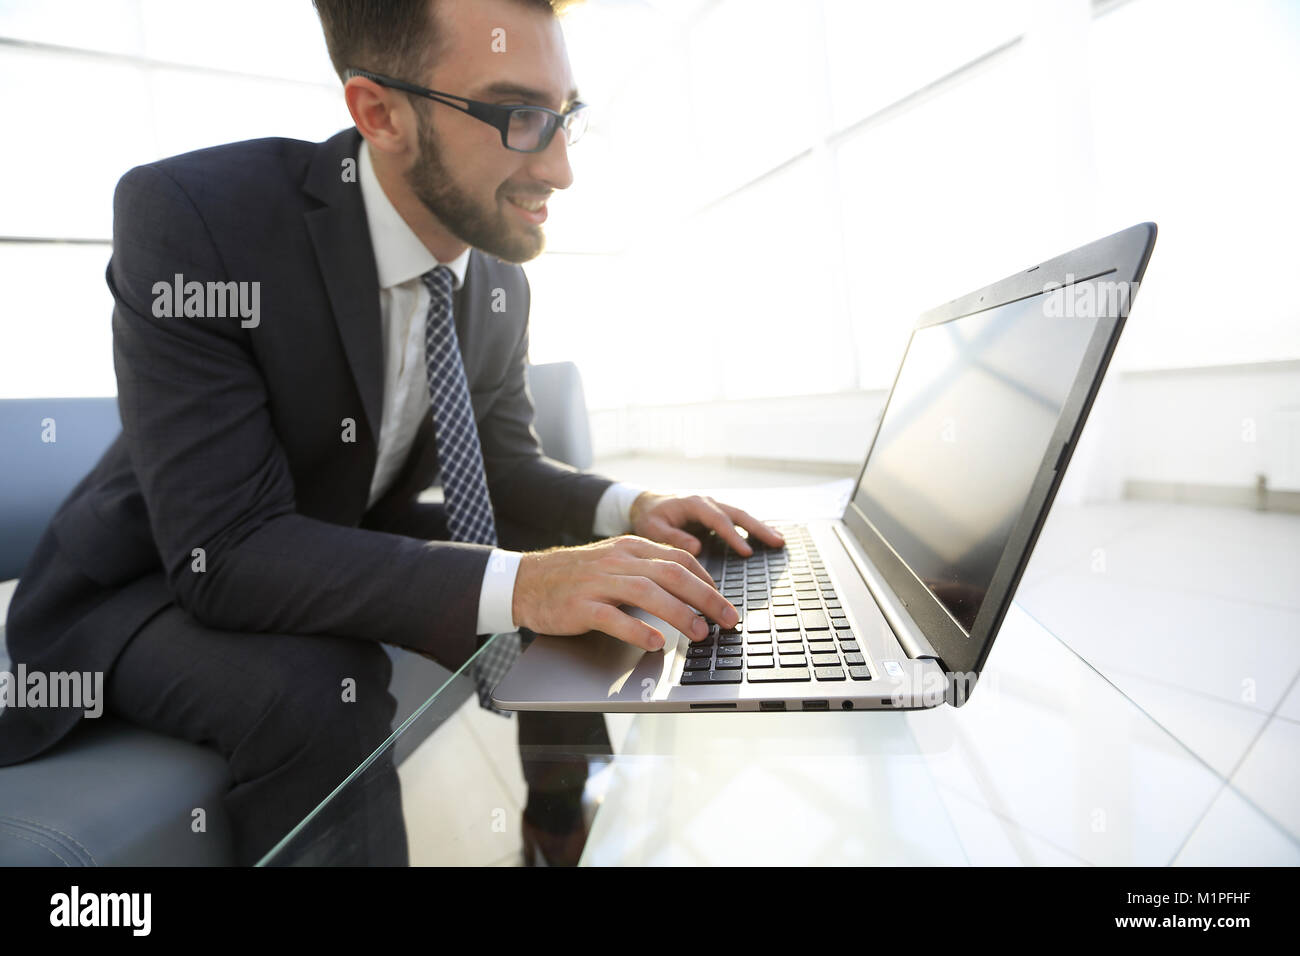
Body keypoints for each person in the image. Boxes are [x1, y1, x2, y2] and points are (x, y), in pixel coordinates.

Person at [0, 0, 783, 866]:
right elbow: (225, 549)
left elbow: (504, 464)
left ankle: (561, 834)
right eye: (519, 117)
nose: (561, 169)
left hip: (325, 528)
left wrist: (632, 506)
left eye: (566, 116)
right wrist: (525, 588)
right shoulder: (197, 218)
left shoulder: (495, 277)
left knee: (571, 552)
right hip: (147, 581)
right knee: (317, 693)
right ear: (379, 113)